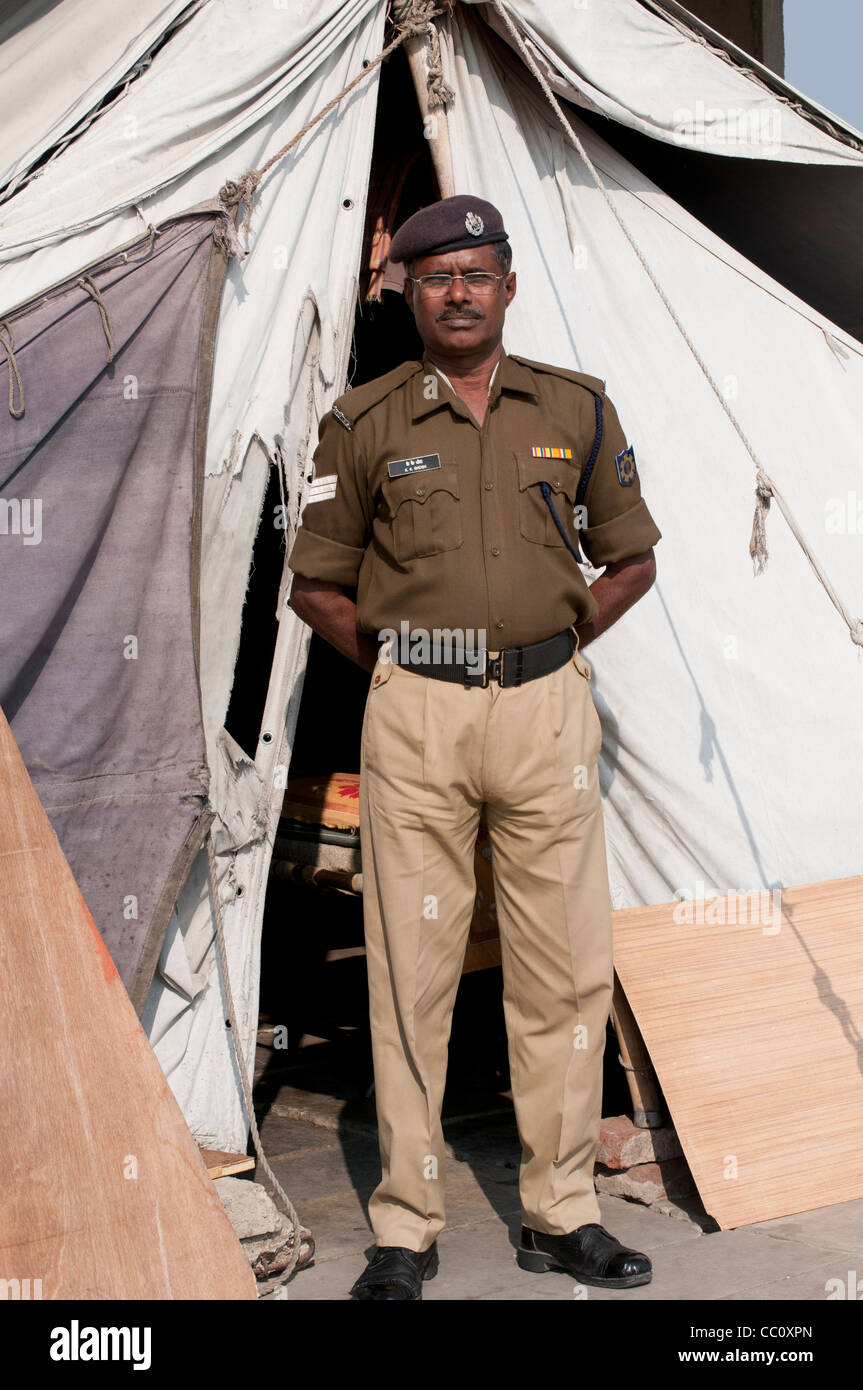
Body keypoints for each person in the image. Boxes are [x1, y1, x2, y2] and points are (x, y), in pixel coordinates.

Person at [288, 194, 662, 1301]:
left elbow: (631, 558)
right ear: (406, 292)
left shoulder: (577, 408)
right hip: (417, 712)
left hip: (547, 708)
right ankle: (405, 1227)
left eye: (477, 272)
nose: (457, 292)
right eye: (435, 275)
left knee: (561, 966)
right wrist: (414, 666)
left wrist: (552, 640)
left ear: (507, 285)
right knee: (412, 971)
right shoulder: (362, 424)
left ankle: (559, 1213)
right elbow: (315, 583)